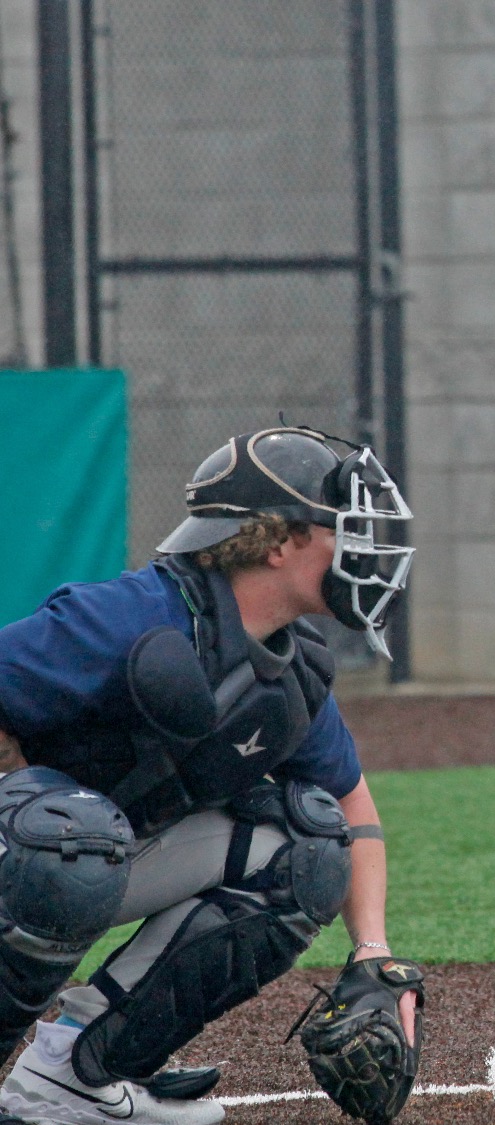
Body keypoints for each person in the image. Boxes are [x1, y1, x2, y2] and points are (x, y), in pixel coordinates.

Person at [0, 427, 421, 1125]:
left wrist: (372, 949)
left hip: (92, 858)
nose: (361, 547)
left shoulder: (292, 666)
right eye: (339, 528)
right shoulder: (127, 618)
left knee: (311, 848)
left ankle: (73, 1073)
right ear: (277, 541)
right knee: (67, 841)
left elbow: (351, 803)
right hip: (41, 857)